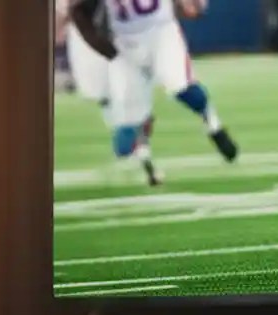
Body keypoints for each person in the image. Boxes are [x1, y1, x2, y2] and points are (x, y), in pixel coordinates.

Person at [69, 0, 238, 187]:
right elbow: (79, 12)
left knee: (183, 88)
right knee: (124, 142)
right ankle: (147, 162)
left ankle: (213, 124)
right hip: (124, 44)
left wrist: (188, 5)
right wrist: (105, 48)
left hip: (161, 33)